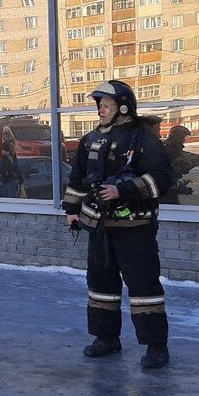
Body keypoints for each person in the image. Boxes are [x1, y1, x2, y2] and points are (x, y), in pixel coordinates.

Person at [62, 80, 174, 369]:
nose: (100, 110)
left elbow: (162, 178)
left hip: (135, 228)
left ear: (123, 107)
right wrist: (71, 210)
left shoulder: (142, 138)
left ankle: (156, 346)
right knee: (101, 285)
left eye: (106, 105)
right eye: (99, 105)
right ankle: (106, 338)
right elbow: (77, 178)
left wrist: (121, 190)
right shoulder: (89, 139)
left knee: (143, 286)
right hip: (100, 227)